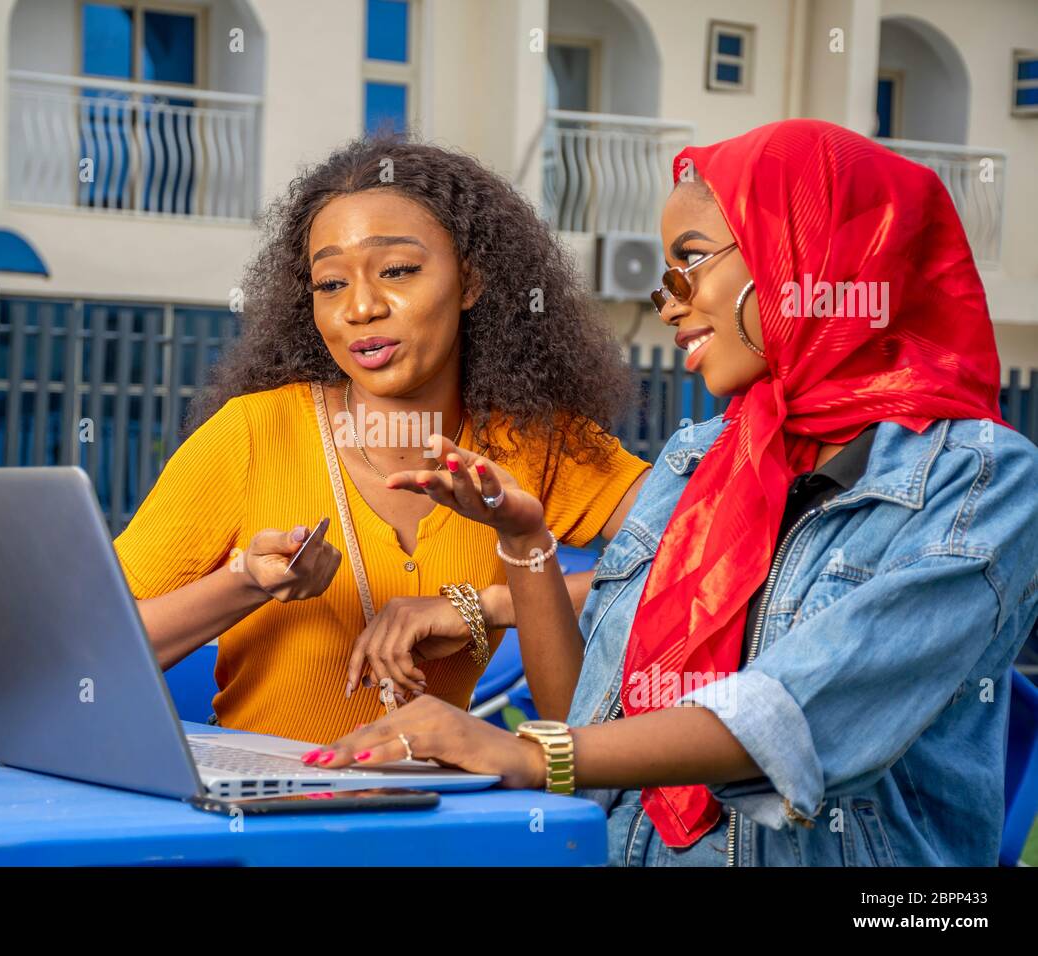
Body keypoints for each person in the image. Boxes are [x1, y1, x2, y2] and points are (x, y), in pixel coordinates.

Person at [305, 119, 1038, 866]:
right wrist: (524, 545)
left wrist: (530, 752)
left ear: (804, 257)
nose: (670, 303)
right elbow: (583, 721)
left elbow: (795, 718)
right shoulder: (703, 458)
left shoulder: (981, 477)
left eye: (690, 261)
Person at [115, 136, 648, 743]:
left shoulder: (532, 441)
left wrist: (481, 607)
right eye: (331, 284)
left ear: (470, 281)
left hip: (439, 811)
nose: (360, 308)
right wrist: (245, 583)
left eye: (397, 271)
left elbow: (709, 556)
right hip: (271, 814)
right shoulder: (252, 434)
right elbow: (92, 655)